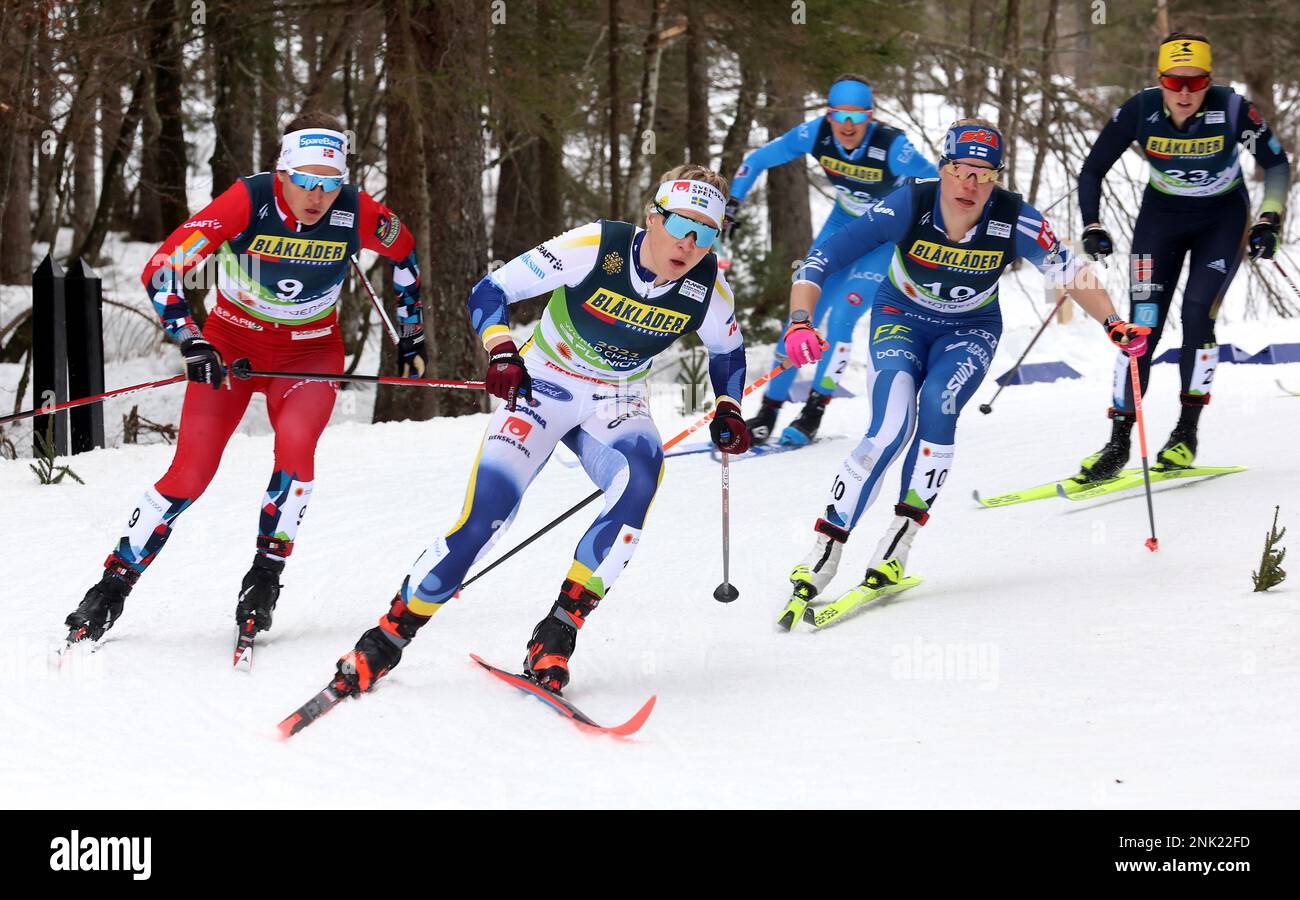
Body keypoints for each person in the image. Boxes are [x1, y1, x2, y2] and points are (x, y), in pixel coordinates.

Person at [324, 164, 748, 698]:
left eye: (706, 233)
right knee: (486, 520)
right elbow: (489, 291)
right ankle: (385, 639)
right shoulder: (597, 246)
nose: (690, 243)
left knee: (641, 479)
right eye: (681, 225)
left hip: (614, 398)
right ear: (652, 217)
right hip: (543, 384)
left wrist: (729, 405)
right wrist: (501, 348)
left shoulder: (709, 288)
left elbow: (728, 352)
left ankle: (557, 634)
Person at [64, 112, 427, 648]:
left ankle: (264, 579)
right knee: (190, 472)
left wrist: (412, 334)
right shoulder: (248, 200)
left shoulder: (356, 212)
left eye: (330, 184)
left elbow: (405, 252)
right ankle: (113, 585)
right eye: (305, 181)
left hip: (309, 354)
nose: (317, 196)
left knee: (297, 453)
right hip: (231, 346)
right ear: (281, 173)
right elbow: (162, 267)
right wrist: (190, 337)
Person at [778, 120, 1146, 608]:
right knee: (889, 426)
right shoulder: (908, 202)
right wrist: (801, 320)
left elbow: (1070, 271)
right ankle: (826, 547)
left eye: (984, 174)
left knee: (937, 405)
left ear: (997, 177)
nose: (970, 184)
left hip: (970, 329)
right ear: (943, 168)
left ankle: (899, 540)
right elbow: (823, 255)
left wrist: (1115, 323)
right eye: (961, 170)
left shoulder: (1016, 218)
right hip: (900, 315)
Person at [1076, 32, 1290, 479]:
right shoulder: (1139, 109)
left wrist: (1269, 219)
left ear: (1210, 81)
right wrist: (1092, 224)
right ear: (1161, 81)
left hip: (1222, 221)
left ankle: (1184, 435)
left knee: (1197, 315)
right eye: (1175, 82)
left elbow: (1276, 163)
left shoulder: (1233, 109)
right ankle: (1117, 444)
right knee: (1142, 326)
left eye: (1197, 82)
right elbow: (1093, 168)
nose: (1186, 93)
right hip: (1160, 221)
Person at [727, 74, 937, 446]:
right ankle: (769, 409)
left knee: (842, 316)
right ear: (829, 115)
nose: (849, 125)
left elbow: (939, 184)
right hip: (842, 225)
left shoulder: (894, 147)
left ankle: (813, 411)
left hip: (885, 235)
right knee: (801, 313)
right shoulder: (814, 134)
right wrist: (732, 204)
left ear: (871, 117)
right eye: (841, 115)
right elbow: (757, 159)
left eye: (858, 117)